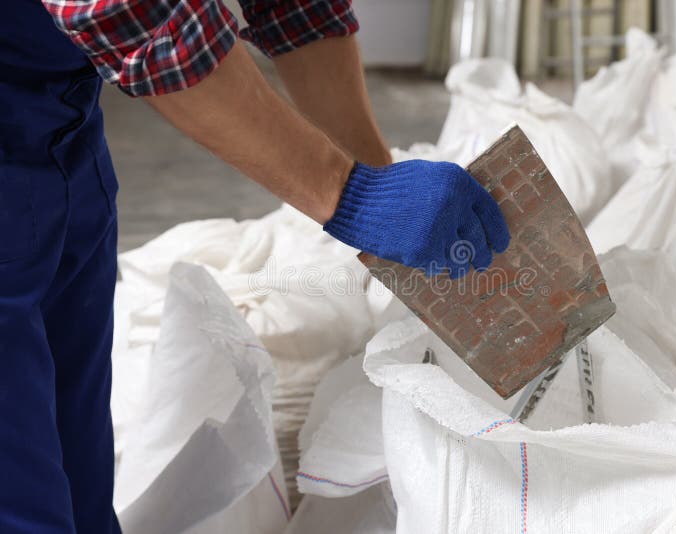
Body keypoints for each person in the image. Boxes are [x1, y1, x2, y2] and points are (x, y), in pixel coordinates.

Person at [0, 0, 509, 531]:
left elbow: (298, 9)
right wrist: (353, 196)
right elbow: (137, 21)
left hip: (58, 129)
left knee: (76, 473)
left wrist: (386, 198)